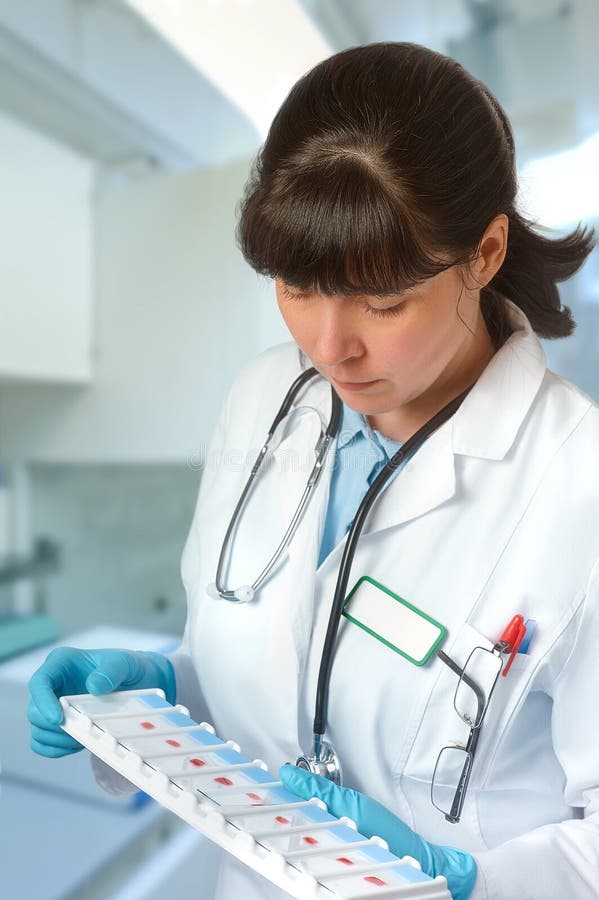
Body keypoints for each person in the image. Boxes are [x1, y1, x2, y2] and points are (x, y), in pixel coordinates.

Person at [27, 42, 598, 900]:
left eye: (381, 301)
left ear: (482, 254)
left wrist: (473, 885)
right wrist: (163, 693)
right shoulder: (266, 402)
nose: (329, 347)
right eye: (296, 286)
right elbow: (265, 679)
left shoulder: (575, 485)